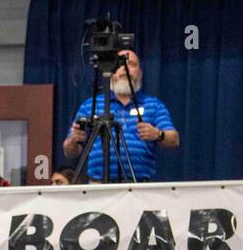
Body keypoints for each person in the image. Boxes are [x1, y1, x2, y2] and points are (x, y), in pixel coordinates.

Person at [62, 49, 179, 182]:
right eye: (119, 64)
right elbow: (69, 152)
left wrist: (158, 134)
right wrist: (73, 140)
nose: (125, 68)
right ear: (111, 72)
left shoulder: (153, 104)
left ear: (140, 73)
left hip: (139, 185)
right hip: (98, 185)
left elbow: (174, 139)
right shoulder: (91, 104)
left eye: (131, 64)